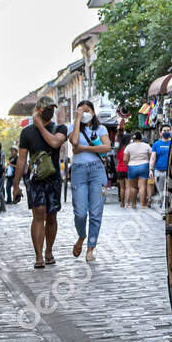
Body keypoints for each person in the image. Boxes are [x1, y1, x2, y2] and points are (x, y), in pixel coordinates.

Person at [13, 97, 68, 268]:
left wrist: (39, 126)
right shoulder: (26, 132)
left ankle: (49, 251)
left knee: (51, 216)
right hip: (35, 179)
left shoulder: (60, 128)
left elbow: (53, 142)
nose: (49, 110)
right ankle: (38, 256)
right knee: (38, 214)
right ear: (38, 109)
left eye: (52, 108)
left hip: (53, 179)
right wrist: (16, 185)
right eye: (46, 108)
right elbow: (21, 159)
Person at [68, 100, 111, 263]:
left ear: (93, 112)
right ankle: (81, 236)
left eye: (88, 110)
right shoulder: (73, 127)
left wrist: (85, 149)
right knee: (79, 211)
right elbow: (74, 142)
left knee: (95, 213)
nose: (85, 113)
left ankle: (91, 248)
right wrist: (78, 119)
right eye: (82, 110)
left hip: (96, 171)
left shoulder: (101, 129)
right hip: (78, 171)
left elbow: (107, 147)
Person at [125, 132, 153, 209]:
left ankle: (133, 204)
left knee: (133, 187)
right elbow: (151, 157)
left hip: (132, 166)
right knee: (142, 186)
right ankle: (142, 204)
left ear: (133, 138)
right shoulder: (147, 146)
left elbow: (125, 159)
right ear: (141, 138)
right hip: (144, 166)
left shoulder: (129, 147)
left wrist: (128, 164)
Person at [114, 132, 131, 207]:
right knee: (128, 187)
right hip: (128, 168)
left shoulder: (119, 148)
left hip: (120, 169)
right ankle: (127, 203)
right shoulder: (129, 148)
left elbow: (117, 158)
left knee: (122, 187)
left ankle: (122, 203)